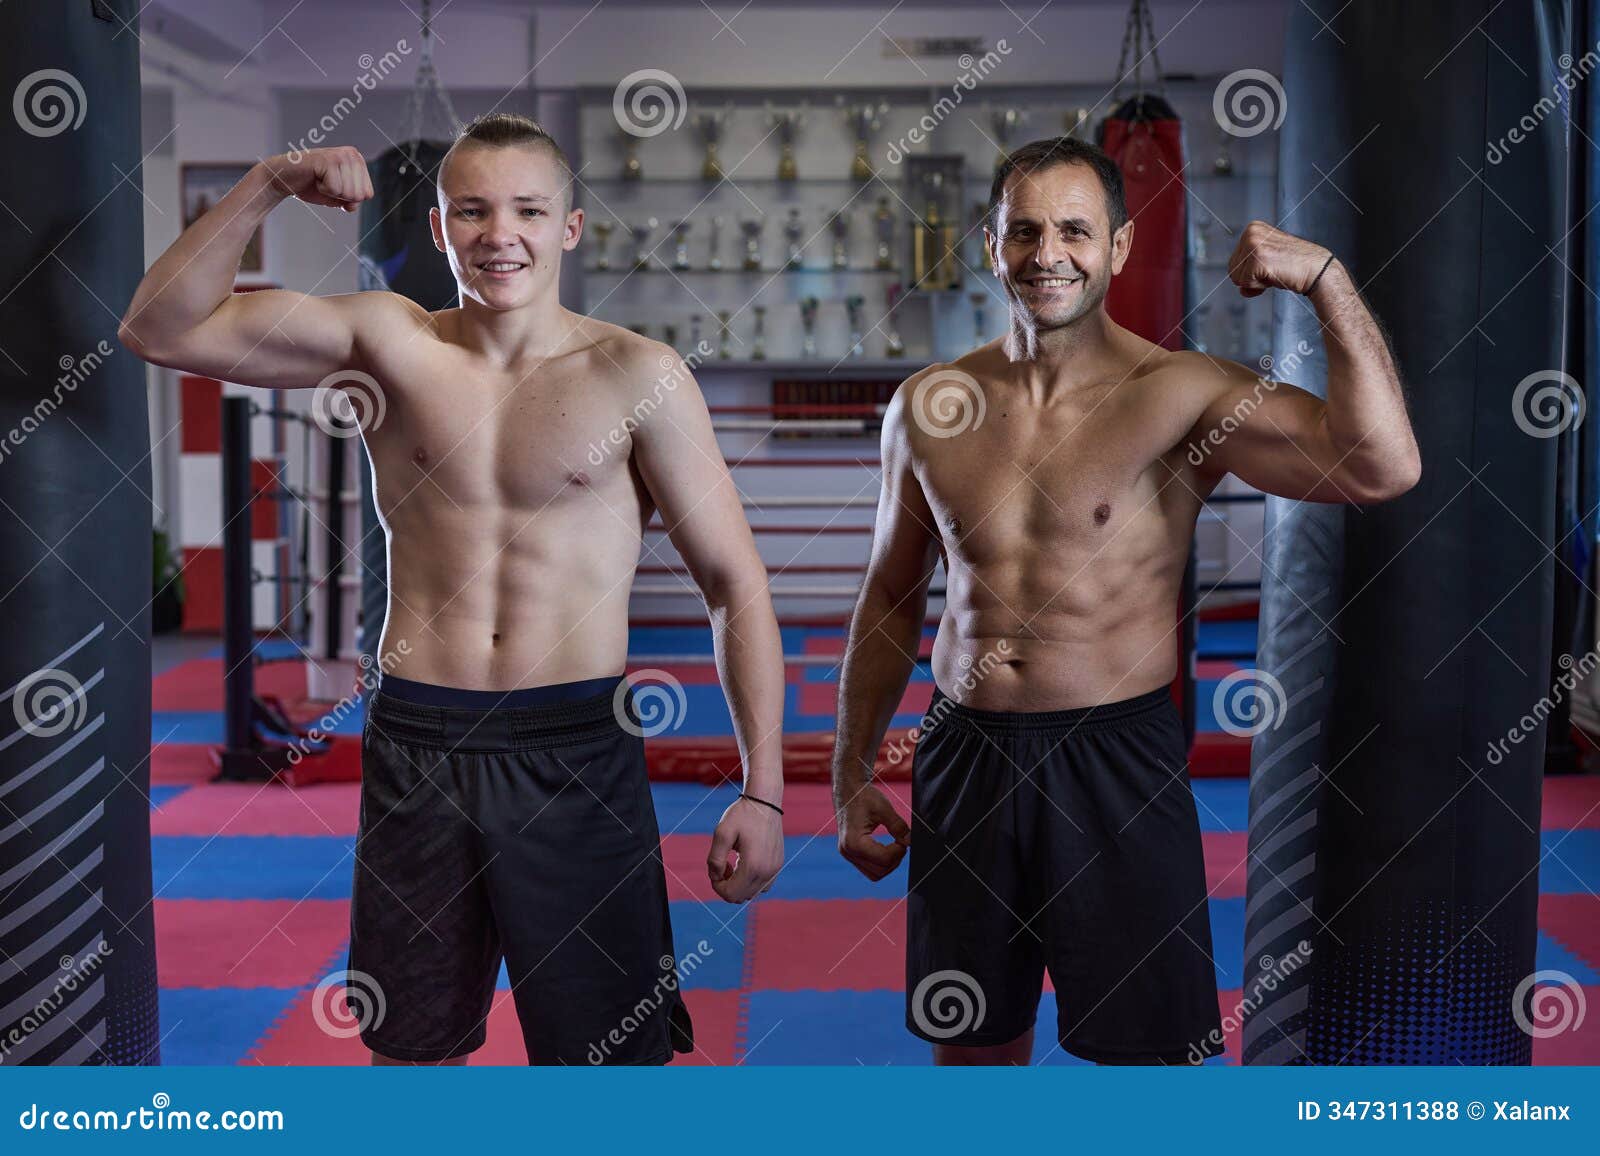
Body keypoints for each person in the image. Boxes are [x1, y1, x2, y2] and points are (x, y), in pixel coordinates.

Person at [120, 114, 786, 1065]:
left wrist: (763, 791)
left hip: (575, 748)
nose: (497, 233)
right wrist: (269, 178)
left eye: (526, 209)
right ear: (437, 229)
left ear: (570, 227)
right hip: (421, 741)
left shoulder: (638, 375)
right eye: (470, 210)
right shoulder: (387, 342)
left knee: (609, 1066)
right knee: (411, 1054)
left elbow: (735, 583)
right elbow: (158, 325)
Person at [831, 136, 1419, 1065]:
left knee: (1146, 1068)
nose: (1046, 253)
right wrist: (851, 771)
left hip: (1114, 759)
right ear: (991, 245)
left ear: (1119, 247)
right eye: (1023, 231)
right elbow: (892, 597)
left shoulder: (1181, 392)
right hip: (965, 756)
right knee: (971, 1050)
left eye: (1074, 229)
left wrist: (1327, 281)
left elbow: (1383, 466)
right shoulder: (929, 404)